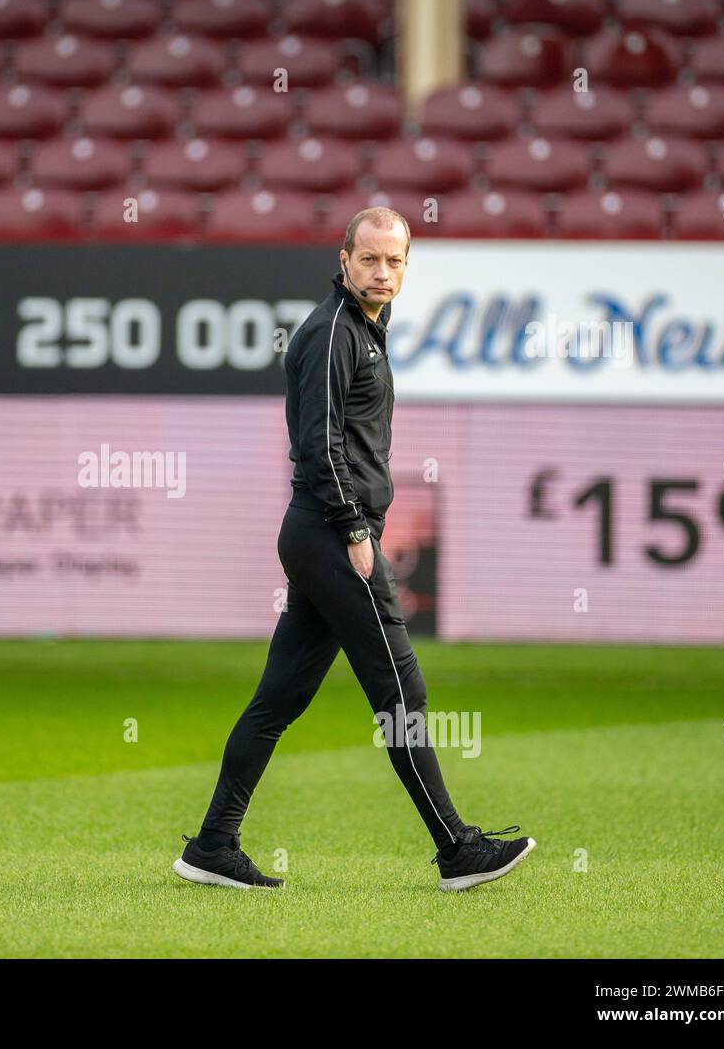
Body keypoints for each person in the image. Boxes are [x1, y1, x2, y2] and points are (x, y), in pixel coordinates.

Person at [172, 207, 535, 892]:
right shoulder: (336, 331)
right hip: (331, 534)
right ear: (344, 259)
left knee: (278, 697)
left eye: (394, 261)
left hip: (320, 534)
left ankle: (214, 842)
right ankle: (457, 849)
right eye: (369, 258)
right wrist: (356, 530)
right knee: (403, 689)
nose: (381, 271)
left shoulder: (362, 328)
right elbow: (321, 444)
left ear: (405, 266)